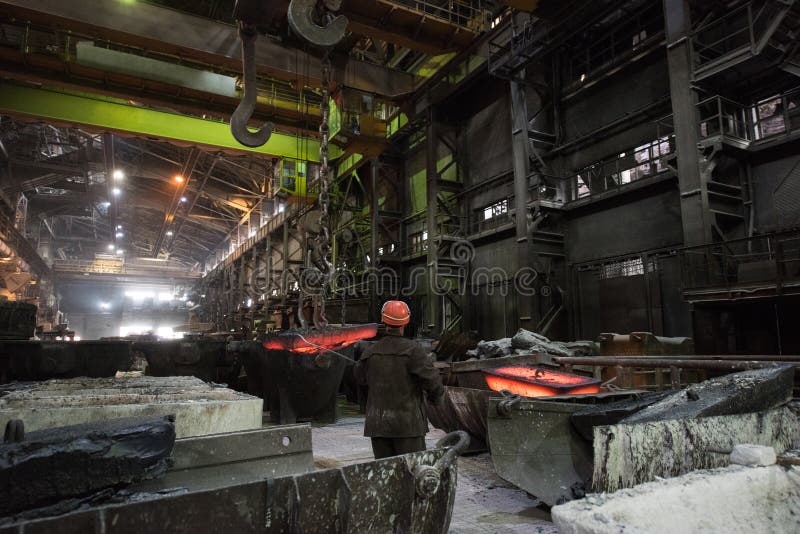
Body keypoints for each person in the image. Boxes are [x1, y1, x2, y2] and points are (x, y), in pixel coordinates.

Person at [354, 300, 445, 459]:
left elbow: (359, 378)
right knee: (412, 470)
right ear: (406, 322)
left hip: (378, 426)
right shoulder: (414, 350)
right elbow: (433, 381)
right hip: (408, 426)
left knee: (385, 471)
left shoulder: (370, 351)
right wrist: (435, 400)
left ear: (384, 321)